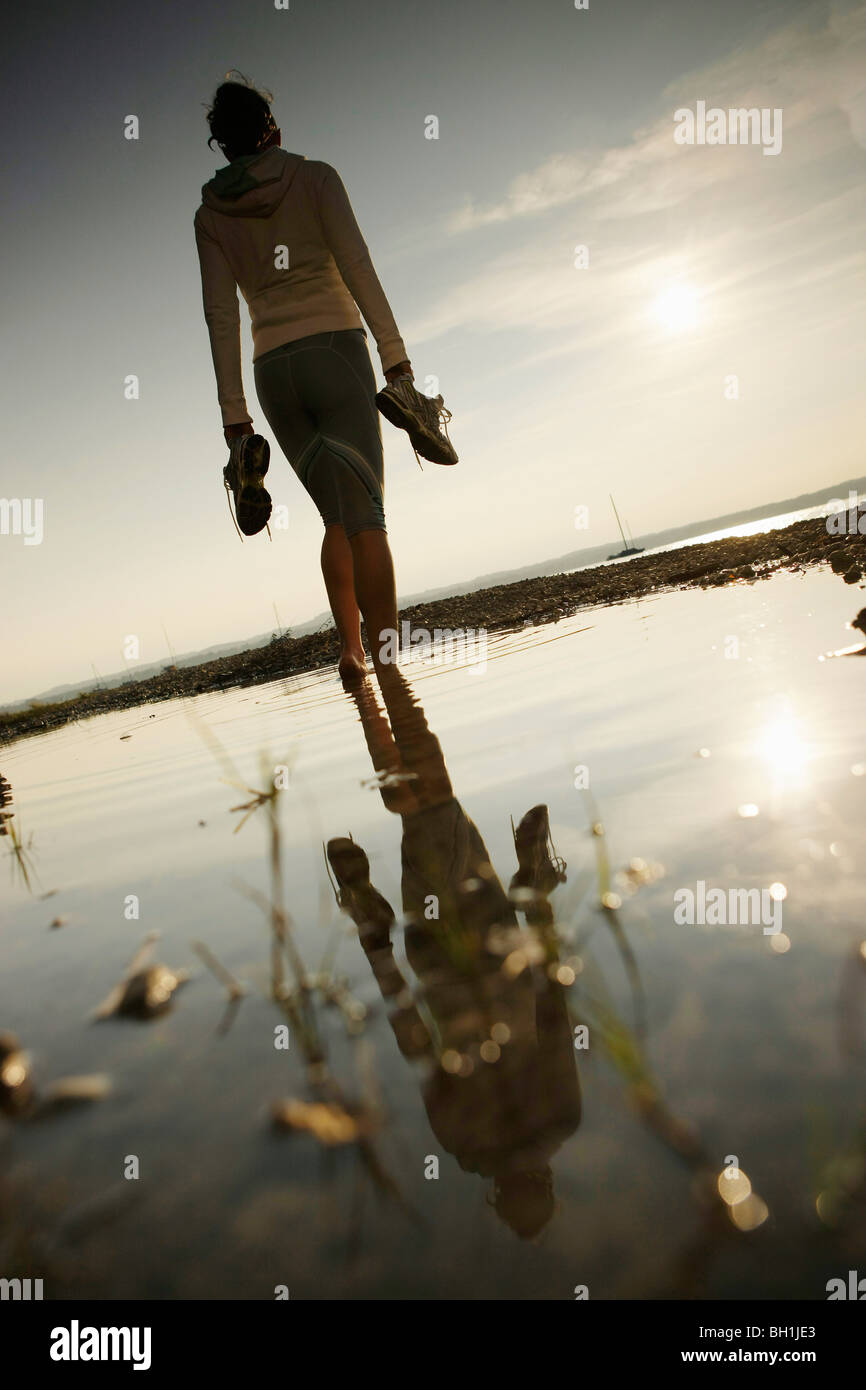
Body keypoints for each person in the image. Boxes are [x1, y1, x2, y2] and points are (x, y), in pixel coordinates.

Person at [194, 76, 446, 682]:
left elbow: (220, 316)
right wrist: (398, 364)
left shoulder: (210, 216)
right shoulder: (316, 177)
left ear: (224, 148)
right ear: (272, 128)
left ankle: (352, 652)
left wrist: (235, 421)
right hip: (336, 351)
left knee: (335, 516)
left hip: (273, 374)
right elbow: (358, 264)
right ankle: (389, 667)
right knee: (367, 518)